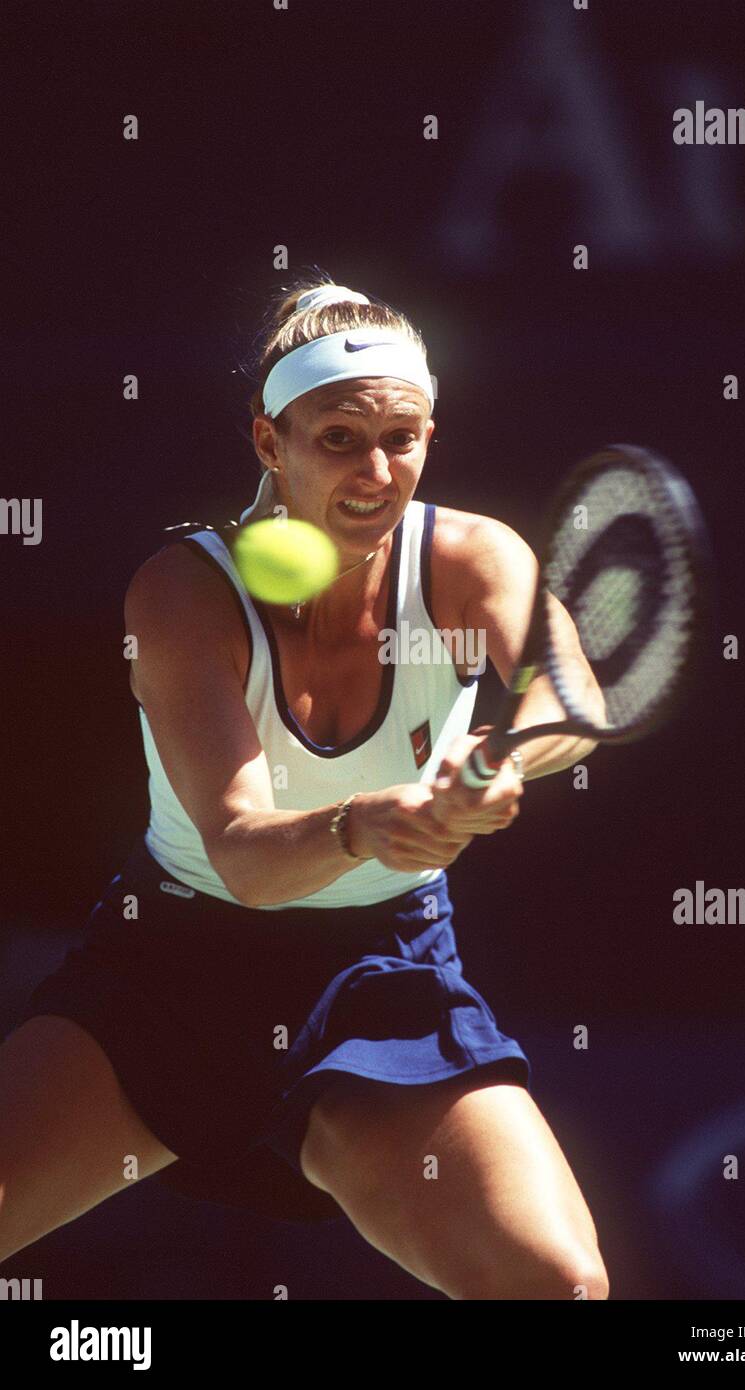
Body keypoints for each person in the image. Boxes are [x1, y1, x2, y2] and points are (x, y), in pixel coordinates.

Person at [0, 276, 610, 1300]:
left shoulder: (469, 558)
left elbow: (572, 700)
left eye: (402, 437)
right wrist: (369, 820)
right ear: (267, 444)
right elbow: (244, 852)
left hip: (382, 977)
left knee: (556, 1284)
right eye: (337, 438)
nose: (377, 470)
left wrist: (491, 765)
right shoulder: (183, 591)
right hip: (164, 976)